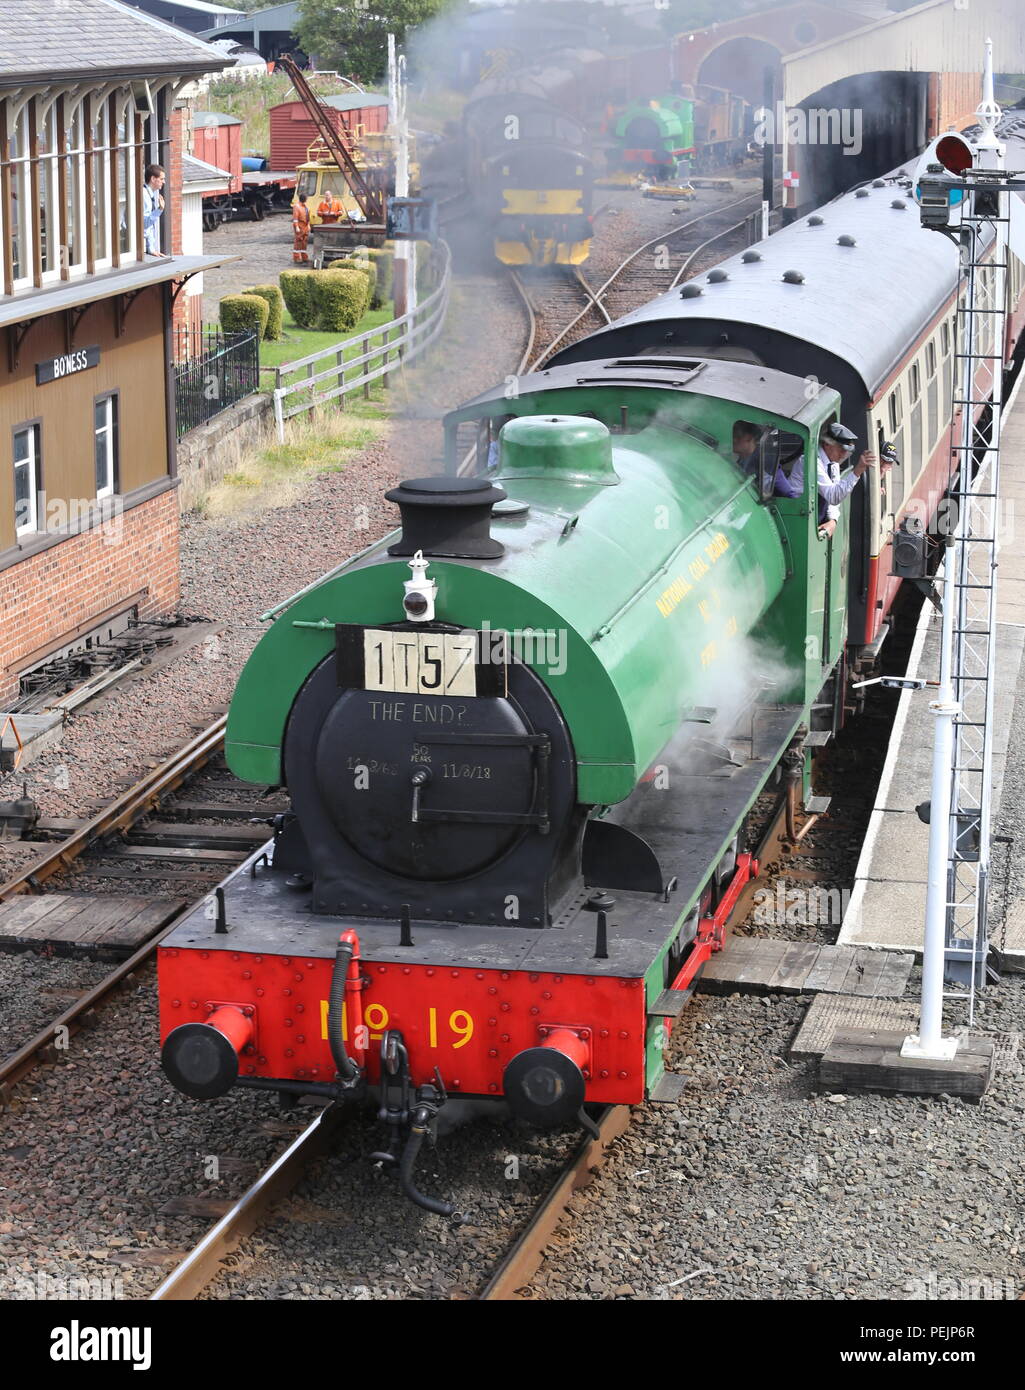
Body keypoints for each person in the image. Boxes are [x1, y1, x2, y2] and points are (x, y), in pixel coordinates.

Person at [774, 421, 891, 538]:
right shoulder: (810, 462)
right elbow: (833, 495)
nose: (844, 454)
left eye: (847, 450)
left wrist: (833, 520)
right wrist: (857, 472)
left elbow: (834, 498)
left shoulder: (832, 464)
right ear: (827, 444)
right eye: (841, 449)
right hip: (797, 519)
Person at [142, 164, 165, 255]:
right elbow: (145, 224)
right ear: (153, 179)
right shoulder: (144, 196)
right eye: (161, 179)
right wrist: (159, 209)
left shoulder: (148, 194)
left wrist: (151, 249)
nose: (164, 182)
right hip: (135, 248)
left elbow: (149, 228)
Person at [291, 193, 311, 264]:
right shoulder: (297, 207)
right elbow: (295, 218)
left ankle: (304, 256)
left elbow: (308, 217)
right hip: (300, 225)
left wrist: (308, 225)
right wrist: (296, 227)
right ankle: (296, 257)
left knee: (304, 241)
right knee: (298, 240)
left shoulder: (305, 207)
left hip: (305, 226)